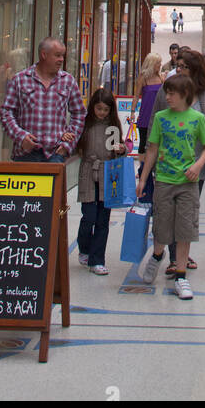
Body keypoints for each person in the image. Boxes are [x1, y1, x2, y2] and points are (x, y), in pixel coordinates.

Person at [150, 48, 205, 274]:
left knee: (186, 210)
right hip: (168, 163)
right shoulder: (168, 91)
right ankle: (174, 256)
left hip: (196, 165)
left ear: (195, 70)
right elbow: (154, 120)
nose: (179, 70)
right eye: (178, 65)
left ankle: (178, 258)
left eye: (184, 67)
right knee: (169, 210)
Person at [137, 73, 205, 300]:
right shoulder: (161, 118)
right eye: (166, 92)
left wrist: (198, 165)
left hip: (187, 183)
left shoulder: (197, 118)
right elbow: (152, 148)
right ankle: (157, 255)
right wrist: (143, 179)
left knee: (185, 230)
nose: (167, 97)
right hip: (163, 181)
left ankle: (181, 276)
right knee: (162, 225)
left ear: (185, 95)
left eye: (171, 93)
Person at [0, 37, 86, 162]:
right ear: (44, 55)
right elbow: (6, 113)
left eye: (62, 56)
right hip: (26, 154)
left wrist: (67, 146)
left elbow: (79, 114)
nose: (61, 60)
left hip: (56, 154)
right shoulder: (20, 80)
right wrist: (21, 137)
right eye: (57, 55)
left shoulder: (68, 81)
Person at [76, 88, 128, 275]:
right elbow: (77, 148)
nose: (102, 113)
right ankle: (84, 247)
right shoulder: (85, 125)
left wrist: (121, 149)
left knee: (103, 220)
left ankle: (97, 260)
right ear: (92, 107)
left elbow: (115, 150)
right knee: (88, 216)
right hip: (89, 173)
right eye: (99, 109)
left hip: (108, 175)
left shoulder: (112, 127)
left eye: (106, 110)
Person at [131, 53, 163, 154]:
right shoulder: (143, 77)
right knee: (143, 143)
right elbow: (136, 95)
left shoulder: (161, 77)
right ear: (152, 64)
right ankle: (143, 167)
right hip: (146, 113)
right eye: (158, 63)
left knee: (158, 143)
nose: (160, 65)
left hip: (158, 113)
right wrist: (132, 111)